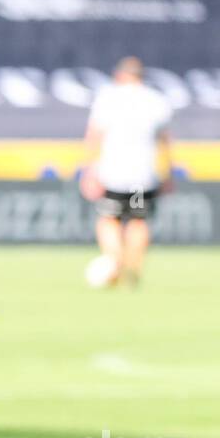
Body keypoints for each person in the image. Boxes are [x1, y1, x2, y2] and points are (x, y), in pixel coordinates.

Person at [78, 57, 174, 288]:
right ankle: (134, 269)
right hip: (142, 177)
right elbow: (164, 141)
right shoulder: (156, 100)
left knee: (109, 219)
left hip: (113, 174)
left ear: (119, 75)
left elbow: (94, 136)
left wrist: (89, 170)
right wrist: (168, 172)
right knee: (138, 221)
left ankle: (115, 261)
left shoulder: (108, 98)